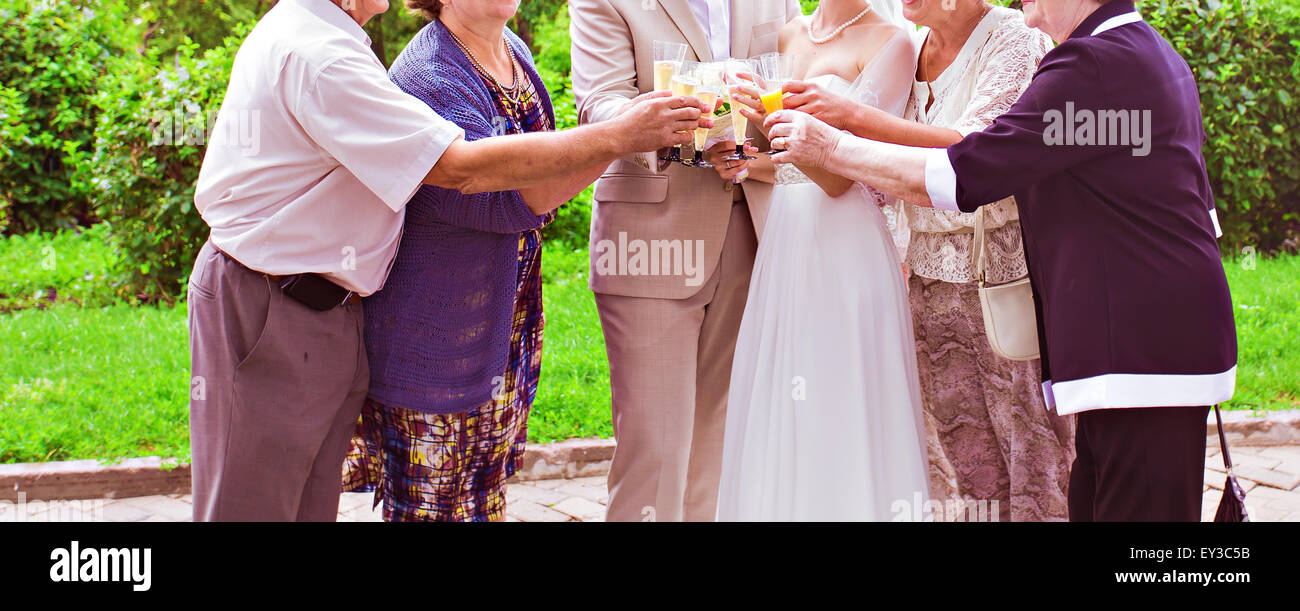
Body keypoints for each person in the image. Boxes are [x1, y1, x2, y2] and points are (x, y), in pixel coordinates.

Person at [188, 0, 707, 522]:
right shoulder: (330, 57)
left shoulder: (342, 40)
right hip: (282, 304)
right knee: (255, 507)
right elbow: (464, 172)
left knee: (307, 505)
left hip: (336, 308)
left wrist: (625, 137)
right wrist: (622, 135)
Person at [766, 0, 1237, 521]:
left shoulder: (1094, 64)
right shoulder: (1144, 53)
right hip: (1145, 348)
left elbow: (969, 171)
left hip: (1141, 354)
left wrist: (832, 147)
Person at [776, 0, 1074, 521]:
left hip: (1002, 279)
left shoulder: (1013, 40)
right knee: (959, 460)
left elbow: (979, 151)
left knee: (1031, 448)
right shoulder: (911, 50)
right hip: (925, 286)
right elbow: (878, 175)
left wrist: (849, 118)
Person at [339, 0, 625, 522]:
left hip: (501, 322)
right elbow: (502, 200)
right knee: (431, 506)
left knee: (483, 497)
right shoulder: (430, 75)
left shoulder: (510, 50)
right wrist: (622, 137)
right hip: (435, 341)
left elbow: (544, 166)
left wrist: (610, 141)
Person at [571, 0, 803, 522]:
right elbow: (600, 104)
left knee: (723, 439)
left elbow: (792, 79)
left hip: (754, 227)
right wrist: (672, 120)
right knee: (655, 445)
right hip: (651, 238)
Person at [711, 0, 929, 521]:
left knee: (839, 396)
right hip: (787, 240)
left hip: (846, 243)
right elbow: (788, 167)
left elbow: (838, 176)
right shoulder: (789, 34)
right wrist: (742, 159)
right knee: (786, 399)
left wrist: (769, 115)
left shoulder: (892, 41)